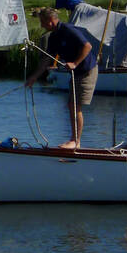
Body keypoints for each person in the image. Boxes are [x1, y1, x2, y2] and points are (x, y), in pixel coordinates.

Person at [26, 8, 98, 150]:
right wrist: (34, 77)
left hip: (86, 70)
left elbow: (87, 46)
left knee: (75, 106)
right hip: (76, 73)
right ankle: (74, 140)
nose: (41, 26)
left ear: (50, 21)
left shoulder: (68, 30)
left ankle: (76, 142)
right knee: (71, 105)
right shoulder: (53, 37)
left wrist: (75, 63)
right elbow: (47, 59)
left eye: (42, 22)